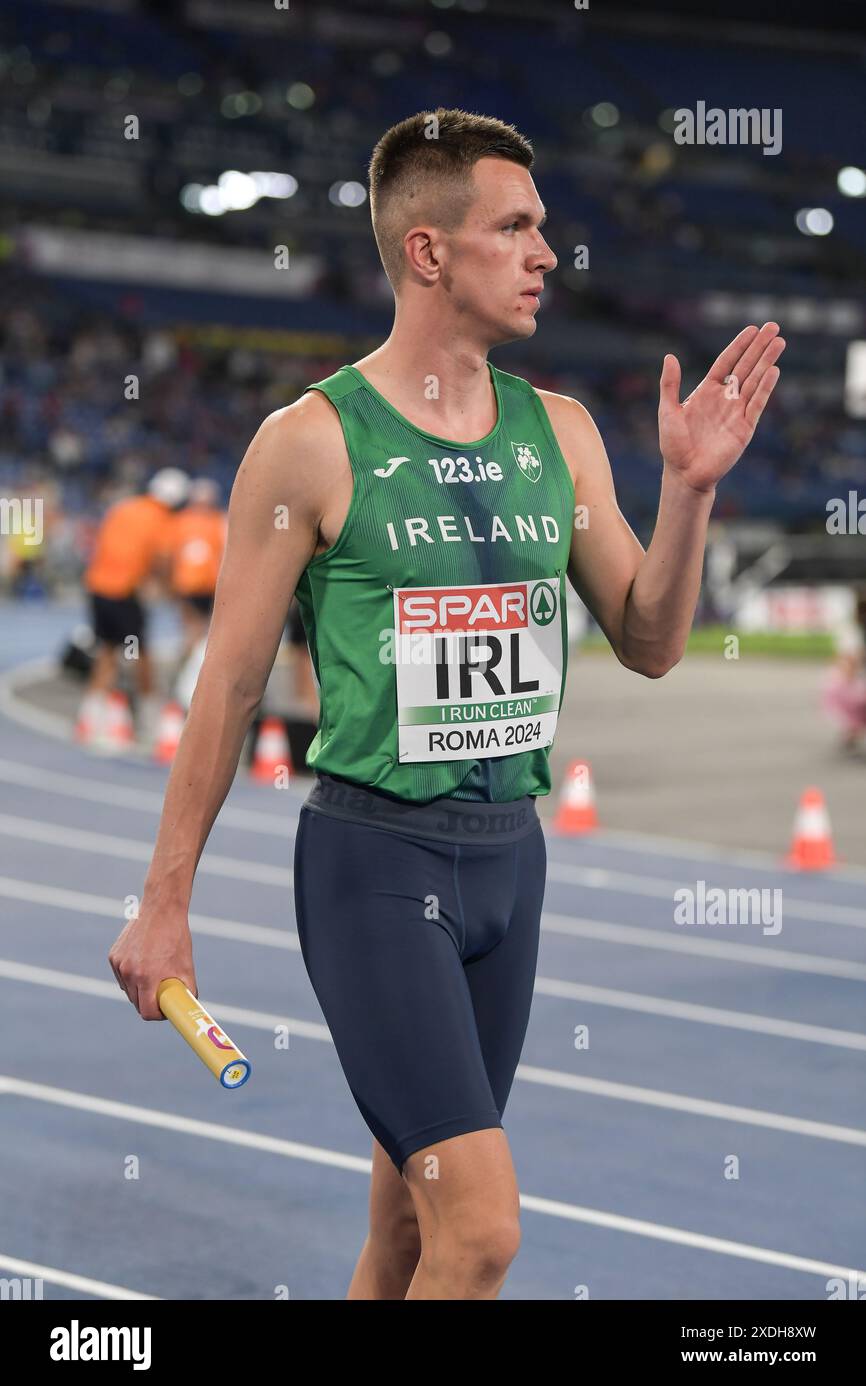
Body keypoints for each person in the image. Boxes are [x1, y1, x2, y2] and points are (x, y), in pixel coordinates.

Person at [108, 108, 784, 1300]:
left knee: (410, 1236)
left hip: (509, 868)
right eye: (514, 227)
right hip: (376, 863)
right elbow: (225, 684)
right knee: (481, 1234)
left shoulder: (560, 432)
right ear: (428, 253)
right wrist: (163, 902)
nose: (545, 254)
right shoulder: (309, 442)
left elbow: (651, 643)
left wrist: (684, 491)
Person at [78, 467, 189, 746]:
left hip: (97, 587)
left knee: (107, 650)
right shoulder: (162, 518)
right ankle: (149, 717)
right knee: (140, 654)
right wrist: (169, 589)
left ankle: (92, 713)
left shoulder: (124, 507)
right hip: (124, 593)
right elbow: (162, 560)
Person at [167, 477, 227, 695]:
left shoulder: (180, 521)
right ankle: (195, 680)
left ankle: (185, 678)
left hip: (191, 585)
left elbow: (170, 554)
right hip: (206, 585)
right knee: (205, 635)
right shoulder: (218, 521)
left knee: (192, 634)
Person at [822, 587, 866, 752]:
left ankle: (849, 738)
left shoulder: (851, 630)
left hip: (846, 677)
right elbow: (849, 659)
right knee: (857, 713)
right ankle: (849, 738)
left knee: (857, 716)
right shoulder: (853, 632)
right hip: (849, 679)